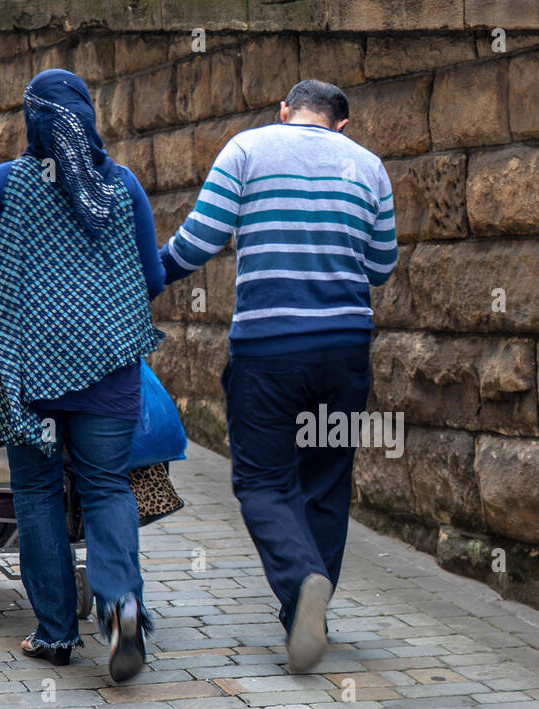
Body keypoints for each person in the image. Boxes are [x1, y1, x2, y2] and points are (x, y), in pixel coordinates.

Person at [159, 79, 398, 672]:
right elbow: (382, 266)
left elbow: (200, 241)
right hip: (344, 351)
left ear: (285, 111)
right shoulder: (370, 167)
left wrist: (144, 275)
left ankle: (301, 584)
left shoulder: (246, 150)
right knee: (325, 476)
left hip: (268, 351)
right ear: (340, 124)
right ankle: (309, 605)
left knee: (264, 482)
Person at [0, 69, 165, 681]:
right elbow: (151, 279)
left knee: (40, 492)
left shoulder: (8, 184)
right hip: (110, 371)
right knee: (106, 486)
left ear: (32, 123)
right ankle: (122, 605)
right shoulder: (123, 187)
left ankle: (54, 635)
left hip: (31, 373)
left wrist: (34, 295)